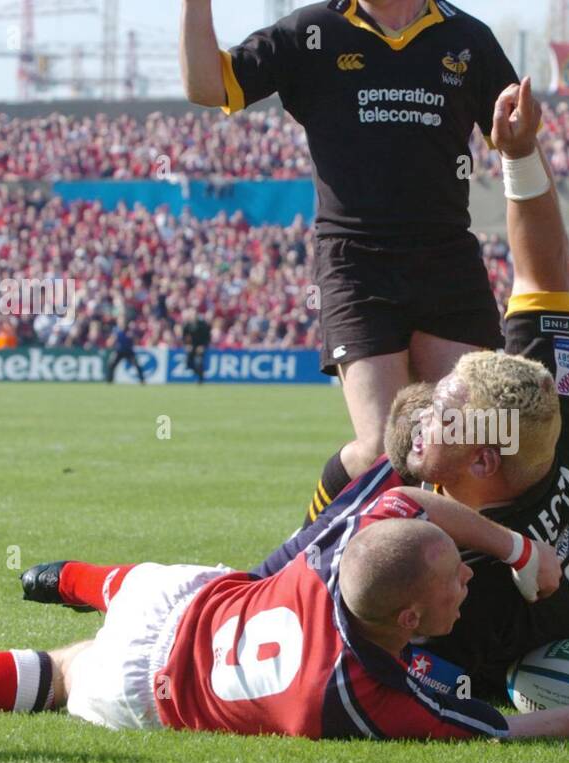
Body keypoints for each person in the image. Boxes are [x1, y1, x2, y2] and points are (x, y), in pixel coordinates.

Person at [265, 80, 569, 697]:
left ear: (483, 457)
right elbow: (541, 265)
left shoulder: (460, 581)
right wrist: (519, 154)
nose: (431, 403)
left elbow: (373, 673)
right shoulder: (546, 413)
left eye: (447, 412)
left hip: (561, 648)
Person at [0, 488, 569, 740]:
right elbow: (511, 736)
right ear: (408, 619)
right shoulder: (369, 697)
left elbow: (410, 498)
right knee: (55, 678)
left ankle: (66, 575)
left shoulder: (360, 551)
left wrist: (518, 553)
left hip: (182, 600)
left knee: (156, 587)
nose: (466, 585)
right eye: (453, 585)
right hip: (154, 684)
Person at [181, 0, 521, 528]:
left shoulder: (468, 38)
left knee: (472, 445)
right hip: (356, 263)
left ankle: (467, 586)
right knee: (388, 456)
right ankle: (307, 550)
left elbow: (513, 139)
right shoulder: (312, 31)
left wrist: (554, 258)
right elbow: (208, 85)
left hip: (447, 261)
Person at [182, 311, 213, 384]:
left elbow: (207, 337)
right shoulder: (187, 326)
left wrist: (203, 346)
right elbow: (184, 337)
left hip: (200, 346)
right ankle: (199, 373)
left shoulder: (202, 325)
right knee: (188, 363)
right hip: (192, 346)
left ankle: (201, 379)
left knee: (199, 362)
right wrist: (187, 345)